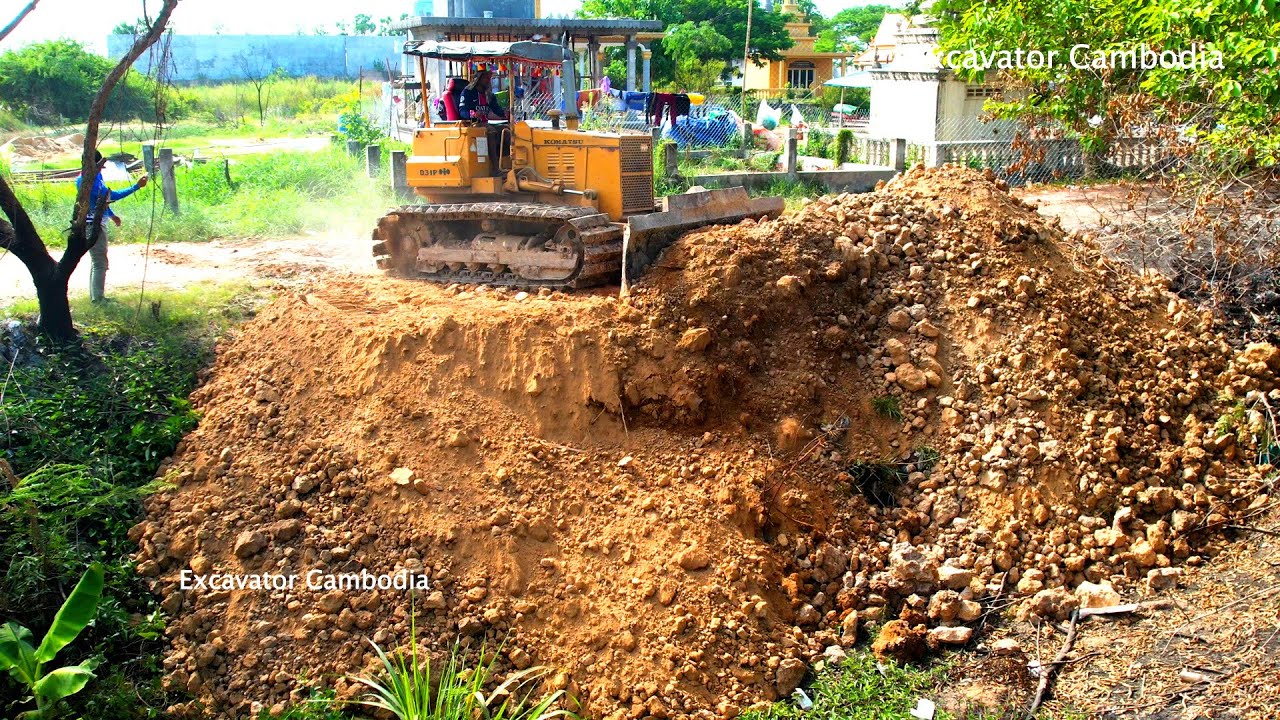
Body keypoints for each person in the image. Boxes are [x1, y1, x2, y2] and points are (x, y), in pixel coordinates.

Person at [76, 150, 148, 302]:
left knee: (98, 261)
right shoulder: (86, 181)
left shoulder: (96, 177)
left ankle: (96, 296)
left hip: (98, 221)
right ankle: (98, 299)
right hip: (91, 224)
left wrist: (111, 214)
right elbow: (110, 196)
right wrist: (136, 187)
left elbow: (102, 201)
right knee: (100, 262)